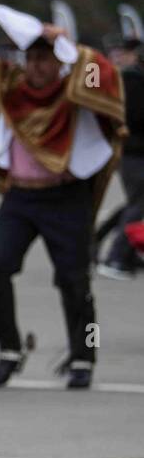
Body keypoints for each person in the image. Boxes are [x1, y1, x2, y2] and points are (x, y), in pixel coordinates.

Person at [0, 0, 125, 389]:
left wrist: (66, 44)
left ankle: (82, 358)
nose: (36, 65)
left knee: (74, 279)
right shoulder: (9, 84)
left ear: (58, 62)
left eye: (44, 58)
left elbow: (102, 73)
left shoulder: (76, 86)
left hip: (66, 196)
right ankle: (10, 351)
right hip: (21, 197)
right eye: (31, 57)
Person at [97, 37, 144, 279]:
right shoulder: (129, 80)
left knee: (135, 203)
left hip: (130, 151)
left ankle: (101, 240)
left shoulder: (124, 78)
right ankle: (117, 255)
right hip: (132, 152)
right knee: (138, 204)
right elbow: (133, 117)